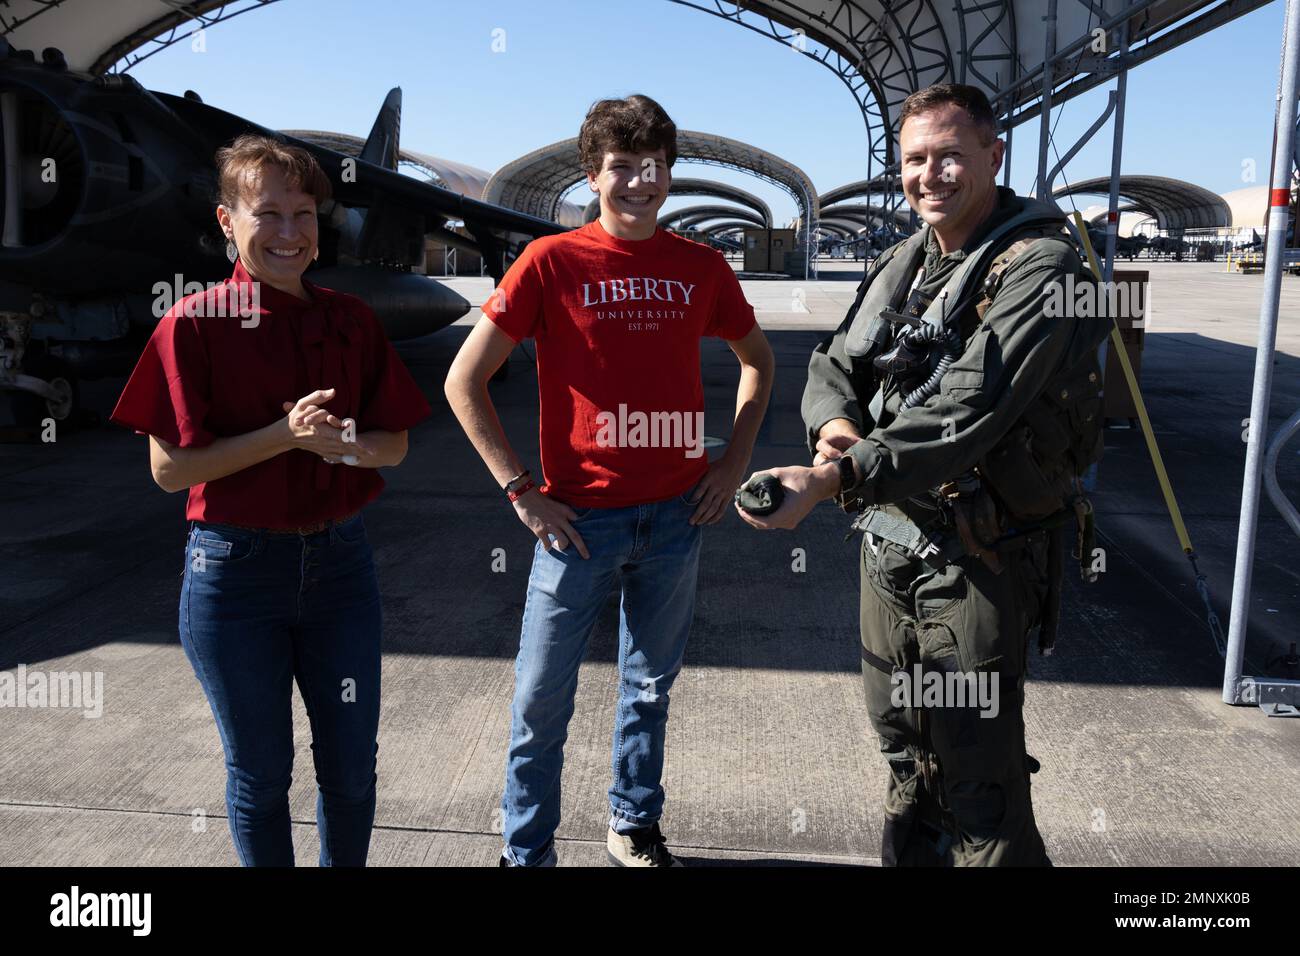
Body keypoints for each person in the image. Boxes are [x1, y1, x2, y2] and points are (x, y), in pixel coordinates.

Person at [735, 83, 1106, 866]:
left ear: (993, 157)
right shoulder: (907, 259)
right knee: (905, 748)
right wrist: (836, 433)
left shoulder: (1041, 266)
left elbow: (972, 407)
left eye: (949, 156)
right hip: (892, 544)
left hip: (980, 554)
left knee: (976, 770)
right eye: (913, 159)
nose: (929, 175)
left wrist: (834, 480)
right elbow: (834, 360)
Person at [445, 94, 774, 867]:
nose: (638, 183)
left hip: (675, 520)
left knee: (649, 690)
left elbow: (757, 360)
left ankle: (633, 824)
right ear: (592, 174)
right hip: (575, 524)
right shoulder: (550, 262)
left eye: (652, 167)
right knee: (538, 702)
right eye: (622, 167)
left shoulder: (700, 267)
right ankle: (525, 853)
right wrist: (520, 490)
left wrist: (733, 462)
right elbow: (466, 381)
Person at [110, 134, 430, 866]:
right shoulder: (191, 324)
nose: (290, 233)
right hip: (234, 576)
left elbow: (394, 445)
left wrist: (337, 445)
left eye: (304, 213)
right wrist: (284, 436)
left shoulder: (350, 319)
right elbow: (169, 470)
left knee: (351, 767)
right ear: (227, 221)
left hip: (341, 571)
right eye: (268, 214)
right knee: (261, 774)